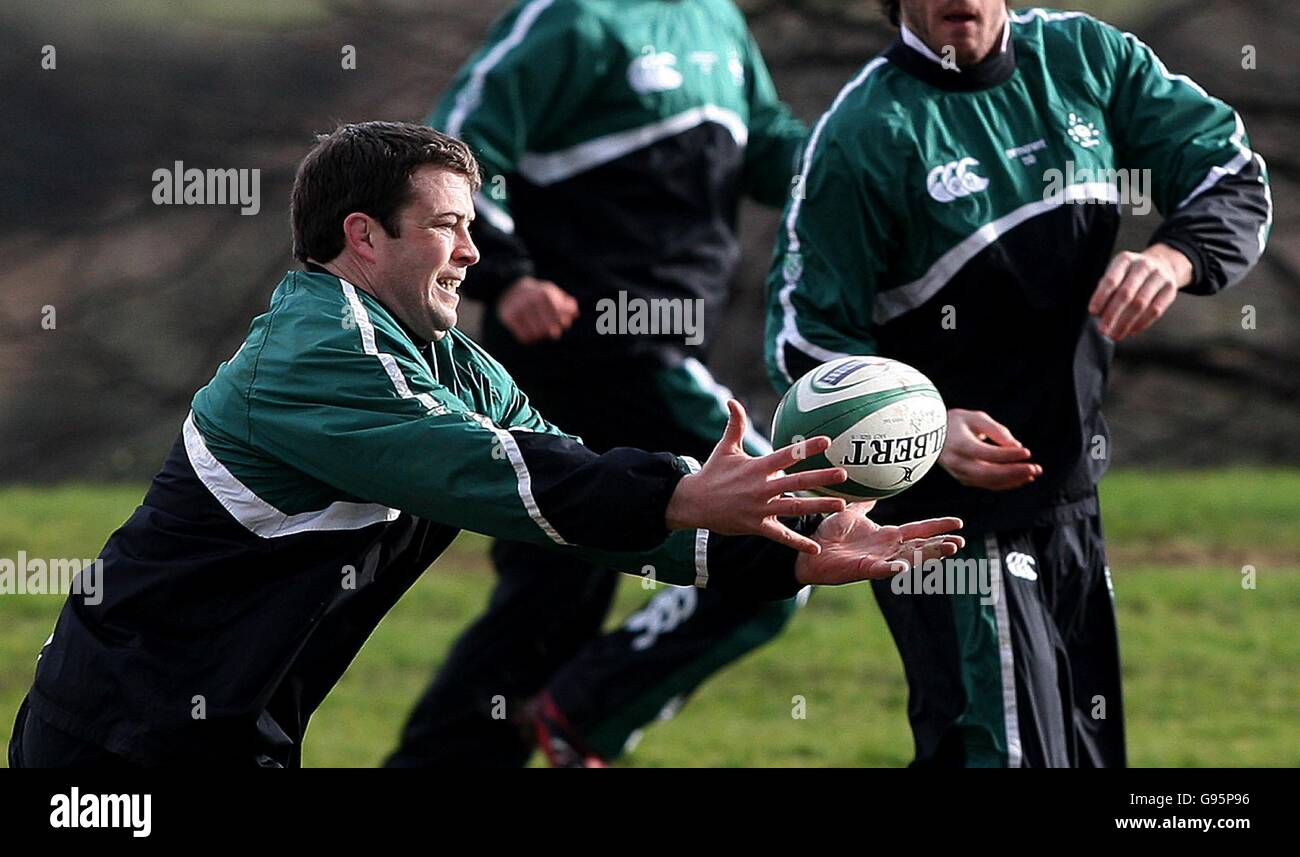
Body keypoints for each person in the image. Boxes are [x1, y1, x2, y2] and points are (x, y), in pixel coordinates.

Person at [6, 122, 964, 768]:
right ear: (364, 237)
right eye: (448, 226)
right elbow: (498, 472)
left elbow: (571, 495)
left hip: (232, 726)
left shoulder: (448, 362)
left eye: (471, 226)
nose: (471, 251)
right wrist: (678, 491)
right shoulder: (313, 354)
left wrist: (781, 547)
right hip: (114, 739)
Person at [765, 0, 1272, 767]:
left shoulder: (1087, 61)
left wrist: (1172, 256)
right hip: (944, 524)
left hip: (1071, 495)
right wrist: (927, 429)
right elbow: (806, 345)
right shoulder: (861, 137)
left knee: (1084, 755)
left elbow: (1231, 174)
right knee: (997, 753)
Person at [386, 0, 815, 768]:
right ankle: (581, 713)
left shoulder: (719, 21)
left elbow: (772, 148)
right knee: (788, 534)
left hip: (661, 344)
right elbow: (452, 152)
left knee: (549, 600)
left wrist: (859, 156)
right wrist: (506, 275)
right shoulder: (565, 19)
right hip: (595, 348)